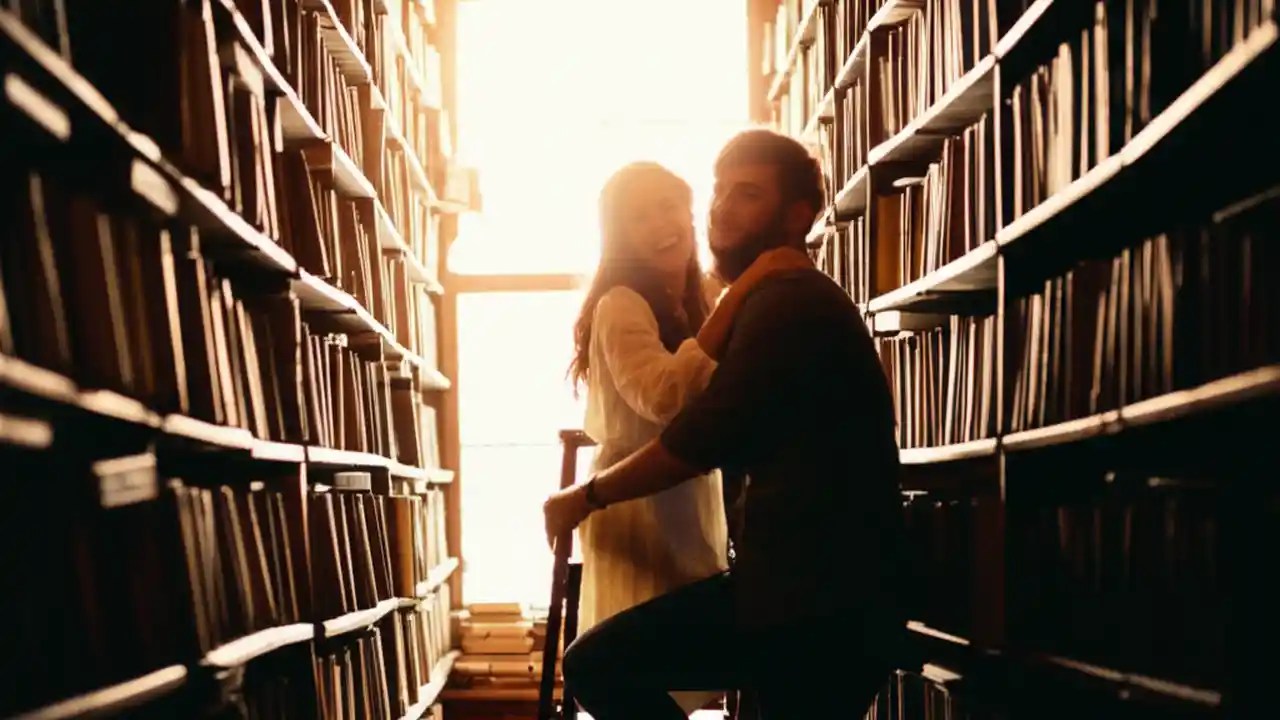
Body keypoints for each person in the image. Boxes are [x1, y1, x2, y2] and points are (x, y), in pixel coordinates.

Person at [544, 130, 910, 719]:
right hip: (817, 594)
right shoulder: (769, 296)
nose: (720, 208)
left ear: (796, 216)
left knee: (596, 663)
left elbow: (700, 435)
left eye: (747, 194)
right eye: (719, 192)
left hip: (811, 601)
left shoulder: (784, 301)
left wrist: (586, 495)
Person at [566, 161, 810, 716]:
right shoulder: (620, 302)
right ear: (620, 235)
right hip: (638, 510)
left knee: (683, 679)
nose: (662, 223)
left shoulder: (701, 294)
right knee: (639, 675)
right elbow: (664, 397)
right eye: (641, 216)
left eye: (670, 206)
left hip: (690, 502)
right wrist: (738, 297)